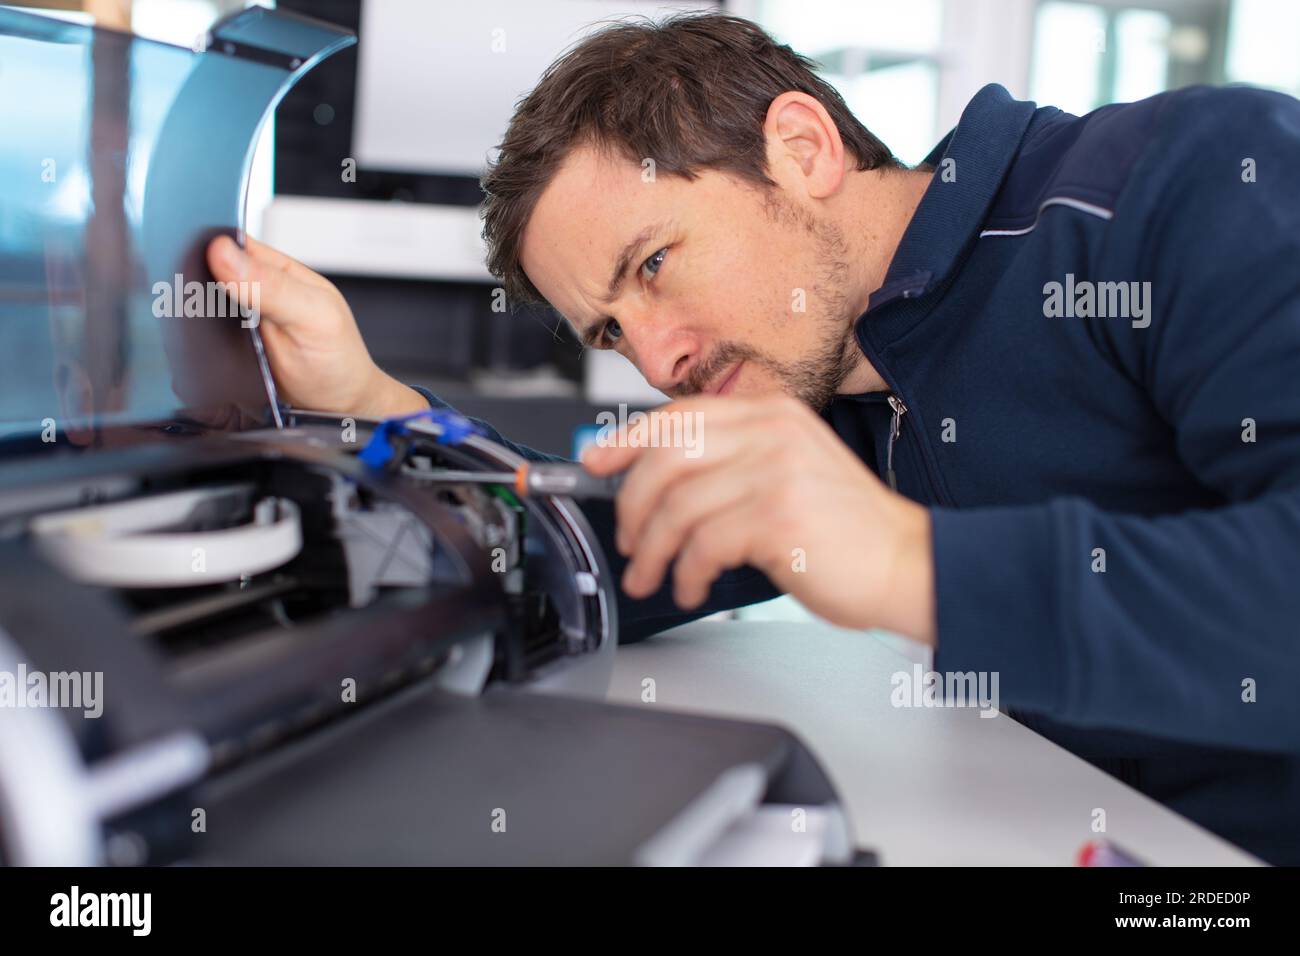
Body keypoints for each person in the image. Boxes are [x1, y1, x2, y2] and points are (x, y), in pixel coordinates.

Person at [208, 13, 1300, 863]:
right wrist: (370, 399)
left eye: (652, 265)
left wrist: (902, 562)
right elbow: (598, 545)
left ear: (800, 146)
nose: (654, 357)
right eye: (609, 328)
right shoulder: (820, 371)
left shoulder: (1186, 183)